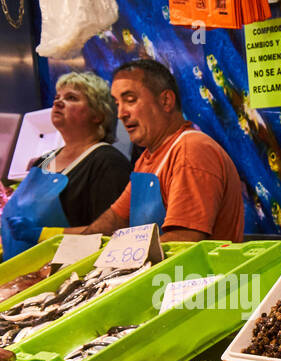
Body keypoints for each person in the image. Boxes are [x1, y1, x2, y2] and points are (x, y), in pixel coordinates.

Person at [68, 58, 244, 243]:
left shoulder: (191, 150)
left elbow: (183, 240)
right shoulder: (146, 159)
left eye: (130, 100)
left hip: (192, 272)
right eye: (117, 103)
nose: (121, 114)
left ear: (166, 101)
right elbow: (114, 220)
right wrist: (76, 250)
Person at [0, 72, 130, 257]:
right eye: (57, 97)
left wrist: (44, 234)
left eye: (71, 98)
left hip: (71, 273)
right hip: (20, 270)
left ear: (98, 115)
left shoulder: (106, 161)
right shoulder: (43, 161)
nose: (58, 103)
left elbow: (112, 233)